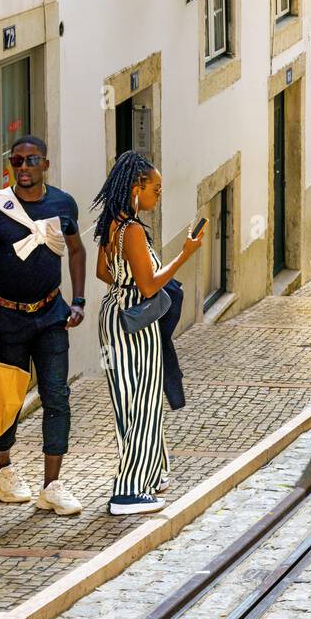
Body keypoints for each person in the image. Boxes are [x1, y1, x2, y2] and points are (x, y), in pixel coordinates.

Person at [0, 135, 86, 514]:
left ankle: (52, 485)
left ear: (45, 164)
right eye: (17, 161)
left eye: (31, 161)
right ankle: (3, 468)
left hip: (51, 315)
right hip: (7, 318)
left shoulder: (63, 204)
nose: (23, 167)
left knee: (57, 396)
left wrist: (77, 300)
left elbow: (76, 249)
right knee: (7, 399)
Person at [93, 151, 203, 516]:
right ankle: (127, 492)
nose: (158, 195)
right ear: (136, 188)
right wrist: (185, 254)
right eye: (155, 189)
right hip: (134, 325)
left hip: (115, 315)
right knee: (141, 405)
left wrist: (126, 286)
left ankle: (151, 475)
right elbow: (152, 285)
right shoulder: (134, 231)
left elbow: (103, 272)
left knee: (130, 401)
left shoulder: (112, 223)